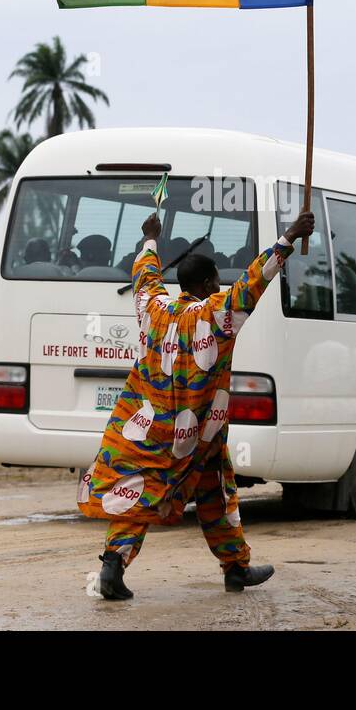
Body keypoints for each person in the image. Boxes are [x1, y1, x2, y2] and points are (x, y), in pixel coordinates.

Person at [80, 209, 316, 600]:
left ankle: (119, 564)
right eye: (217, 281)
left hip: (148, 430)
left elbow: (144, 274)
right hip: (198, 432)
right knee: (216, 495)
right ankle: (233, 567)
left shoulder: (152, 308)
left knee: (163, 490)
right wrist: (289, 236)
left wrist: (151, 238)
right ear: (208, 283)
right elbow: (254, 281)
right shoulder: (215, 312)